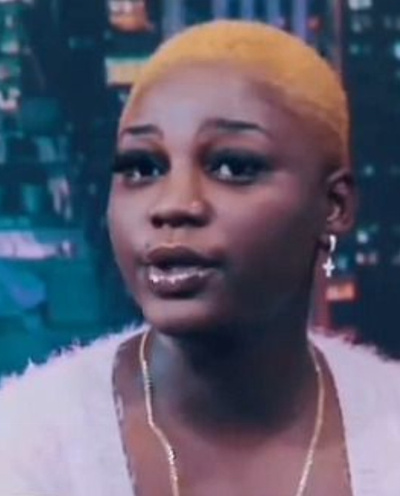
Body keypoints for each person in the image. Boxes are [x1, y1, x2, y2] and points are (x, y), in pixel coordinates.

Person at [1, 19, 400, 496]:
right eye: (142, 168)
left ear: (333, 206)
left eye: (232, 166)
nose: (172, 205)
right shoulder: (24, 446)